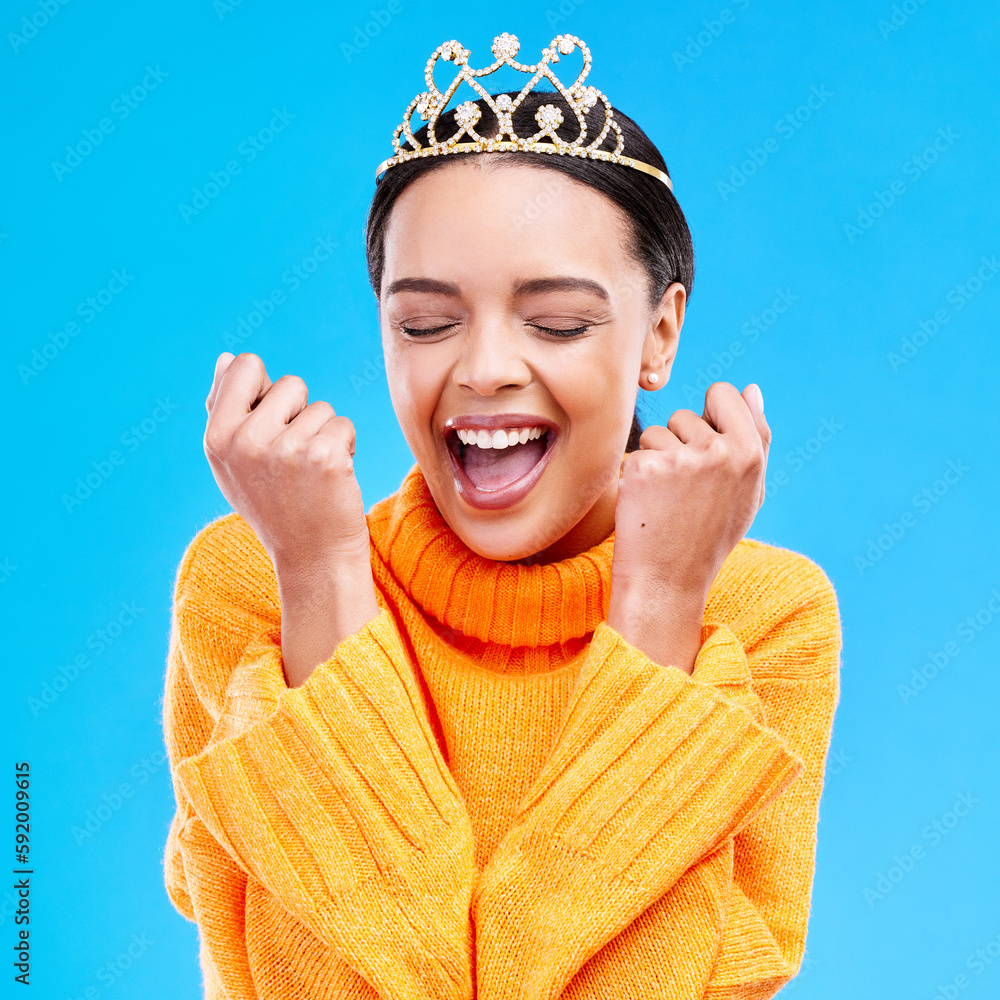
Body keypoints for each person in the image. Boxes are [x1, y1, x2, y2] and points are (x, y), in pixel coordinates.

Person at [161, 32, 841, 1000]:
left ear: (659, 334)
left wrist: (659, 604)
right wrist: (318, 576)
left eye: (556, 321)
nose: (480, 368)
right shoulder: (256, 576)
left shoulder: (763, 612)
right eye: (424, 323)